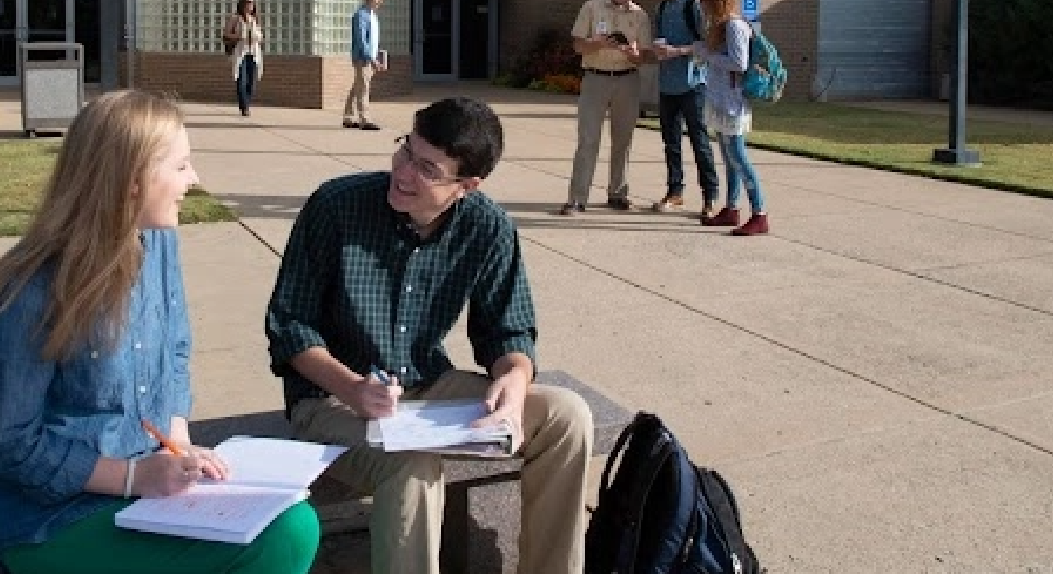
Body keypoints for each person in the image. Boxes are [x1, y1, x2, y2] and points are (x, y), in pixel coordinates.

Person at [0, 89, 320, 574]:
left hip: (152, 485)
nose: (193, 180)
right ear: (131, 180)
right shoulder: (25, 294)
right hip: (53, 521)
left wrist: (178, 441)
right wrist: (134, 477)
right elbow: (14, 448)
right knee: (282, 539)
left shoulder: (157, 242)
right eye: (180, 166)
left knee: (292, 521)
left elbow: (173, 348)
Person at [265, 96, 594, 574]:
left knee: (568, 416)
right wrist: (353, 388)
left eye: (428, 168)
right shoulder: (335, 207)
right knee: (411, 467)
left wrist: (514, 381)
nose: (403, 172)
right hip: (329, 400)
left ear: (467, 185)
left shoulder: (488, 227)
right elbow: (289, 325)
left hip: (426, 389)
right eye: (405, 151)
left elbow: (509, 330)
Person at [559, 0, 651, 216]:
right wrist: (598, 43)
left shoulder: (640, 15)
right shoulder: (592, 7)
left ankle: (617, 194)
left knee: (623, 139)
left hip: (627, 79)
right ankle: (577, 199)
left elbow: (643, 57)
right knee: (588, 139)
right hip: (595, 77)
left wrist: (631, 53)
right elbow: (578, 46)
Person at [695, 0, 769, 235]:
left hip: (732, 104)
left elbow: (739, 62)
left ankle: (760, 214)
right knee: (729, 160)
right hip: (721, 101)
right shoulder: (721, 26)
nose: (701, 4)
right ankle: (732, 208)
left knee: (739, 158)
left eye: (705, 1)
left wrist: (707, 54)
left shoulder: (735, 26)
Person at [650, 0, 719, 217]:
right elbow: (657, 40)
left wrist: (677, 51)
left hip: (693, 84)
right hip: (667, 84)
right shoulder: (661, 7)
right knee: (671, 142)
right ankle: (674, 192)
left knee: (699, 141)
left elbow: (709, 44)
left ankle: (710, 196)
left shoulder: (693, 6)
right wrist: (658, 50)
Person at [343, 0, 385, 131]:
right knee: (363, 88)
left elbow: (373, 38)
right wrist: (371, 58)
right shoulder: (360, 15)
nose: (381, 2)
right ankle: (365, 120)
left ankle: (348, 117)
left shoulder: (373, 15)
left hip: (370, 57)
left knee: (358, 86)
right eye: (378, 0)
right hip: (362, 58)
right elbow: (361, 39)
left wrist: (377, 55)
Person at [224, 0, 264, 117]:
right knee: (241, 80)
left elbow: (261, 36)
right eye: (248, 2)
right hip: (241, 53)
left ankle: (247, 103)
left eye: (251, 3)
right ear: (242, 4)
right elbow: (226, 34)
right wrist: (238, 36)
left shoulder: (255, 19)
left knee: (252, 82)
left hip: (254, 53)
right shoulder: (236, 18)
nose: (250, 5)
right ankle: (244, 107)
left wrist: (258, 37)